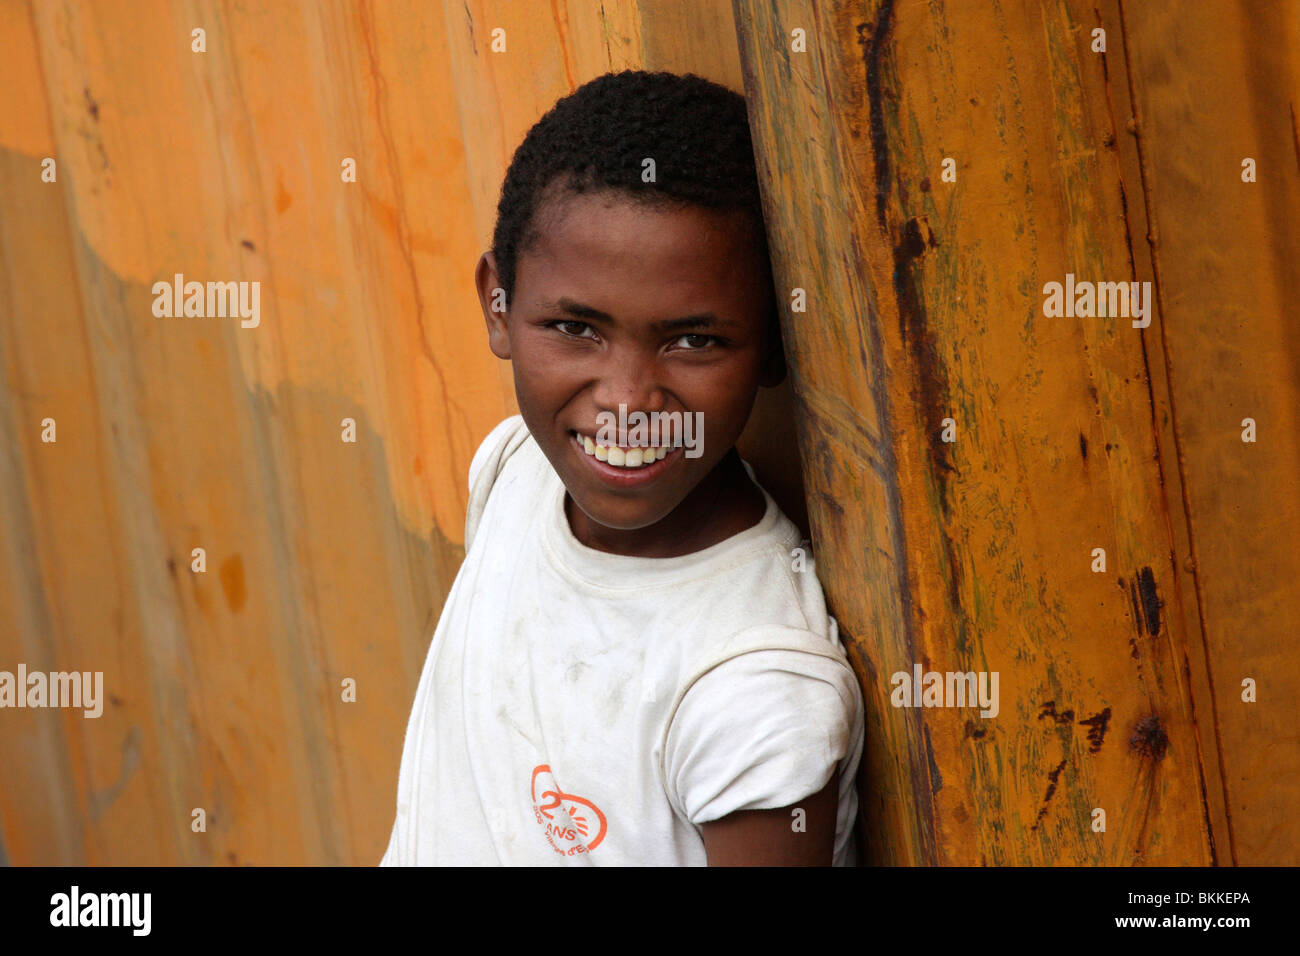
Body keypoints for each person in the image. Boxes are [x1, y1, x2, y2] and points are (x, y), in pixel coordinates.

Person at [380, 70, 864, 866]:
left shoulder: (754, 687)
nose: (629, 402)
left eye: (693, 340)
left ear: (774, 345)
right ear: (497, 306)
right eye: (575, 327)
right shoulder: (514, 475)